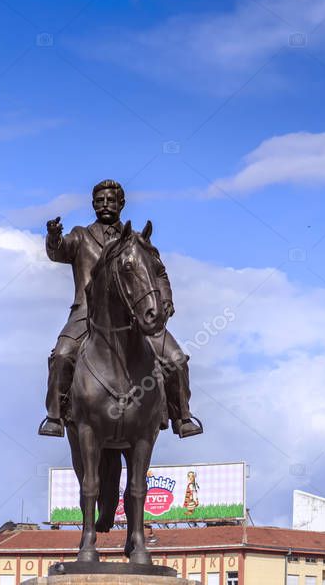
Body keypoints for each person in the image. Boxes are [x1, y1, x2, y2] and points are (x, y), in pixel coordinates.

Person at [38, 180, 202, 439]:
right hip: (88, 313)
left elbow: (159, 272)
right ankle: (56, 415)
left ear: (121, 204)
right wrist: (55, 237)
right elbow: (59, 252)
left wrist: (165, 300)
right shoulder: (81, 235)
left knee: (176, 360)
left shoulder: (137, 241)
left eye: (110, 200)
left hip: (136, 315)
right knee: (62, 354)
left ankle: (181, 415)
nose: (105, 205)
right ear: (92, 204)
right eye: (99, 200)